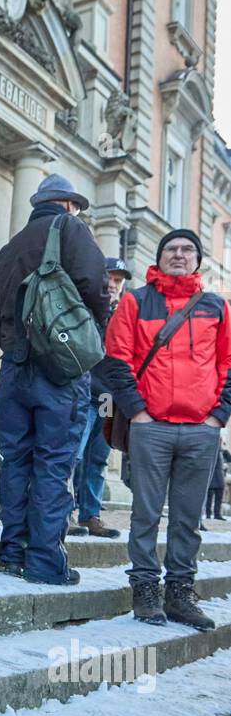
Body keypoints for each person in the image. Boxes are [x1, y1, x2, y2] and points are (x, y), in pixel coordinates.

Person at [0, 173, 109, 583]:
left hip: (14, 373)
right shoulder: (71, 229)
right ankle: (46, 563)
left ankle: (12, 552)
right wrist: (82, 335)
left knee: (16, 462)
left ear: (38, 204)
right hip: (59, 374)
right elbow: (96, 288)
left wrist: (16, 343)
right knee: (54, 464)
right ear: (68, 204)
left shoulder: (8, 247)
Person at [103, 228, 231, 627]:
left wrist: (218, 416)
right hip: (151, 425)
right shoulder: (136, 301)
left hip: (201, 428)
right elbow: (116, 359)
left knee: (188, 518)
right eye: (171, 248)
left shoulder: (217, 307)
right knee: (145, 514)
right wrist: (138, 411)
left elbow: (228, 363)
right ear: (159, 257)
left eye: (187, 249)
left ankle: (179, 593)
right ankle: (145, 589)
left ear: (198, 260)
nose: (179, 254)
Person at [71, 257, 132, 538]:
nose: (113, 284)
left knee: (97, 459)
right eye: (109, 277)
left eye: (118, 280)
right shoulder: (87, 310)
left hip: (108, 399)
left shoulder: (125, 315)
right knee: (73, 455)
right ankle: (65, 513)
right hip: (84, 392)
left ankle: (90, 516)